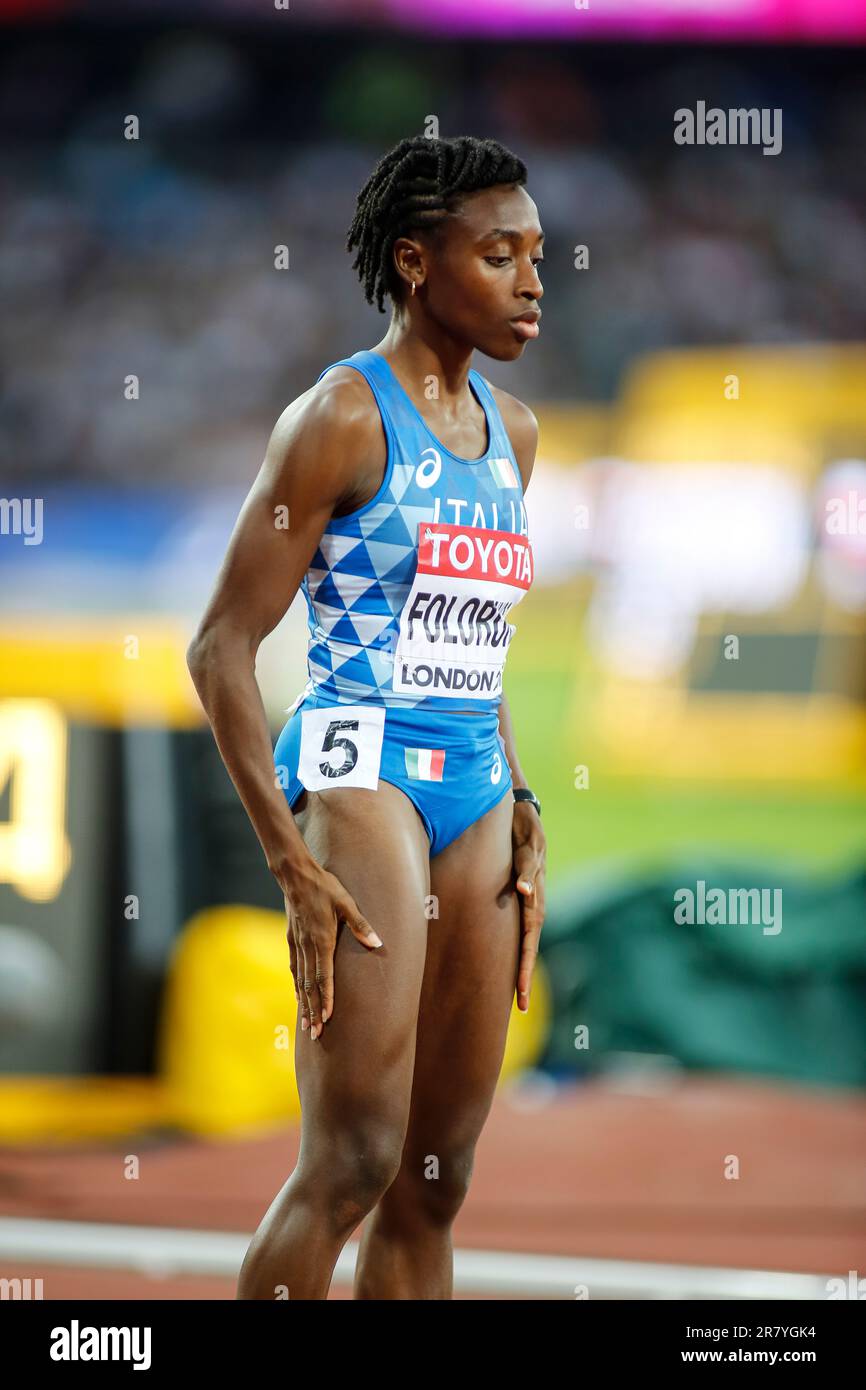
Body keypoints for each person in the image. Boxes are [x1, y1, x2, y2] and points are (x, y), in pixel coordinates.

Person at [186, 134, 547, 1300]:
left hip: (475, 782)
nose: (532, 281)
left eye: (537, 255)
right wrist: (290, 864)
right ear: (413, 261)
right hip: (361, 767)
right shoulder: (342, 416)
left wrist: (523, 791)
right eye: (498, 256)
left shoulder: (517, 438)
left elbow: (477, 643)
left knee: (435, 1179)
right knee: (350, 1161)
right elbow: (220, 646)